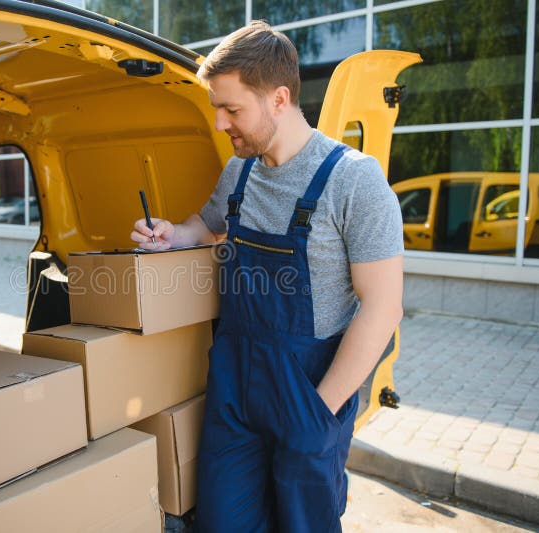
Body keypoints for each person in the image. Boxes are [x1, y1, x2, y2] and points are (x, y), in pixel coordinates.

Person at [130, 20, 403, 532]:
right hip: (235, 383)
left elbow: (384, 307)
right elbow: (205, 227)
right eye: (217, 107)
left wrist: (318, 415)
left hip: (309, 387)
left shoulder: (354, 181)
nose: (219, 123)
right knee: (222, 522)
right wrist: (173, 235)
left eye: (231, 109)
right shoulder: (241, 171)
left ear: (279, 98)